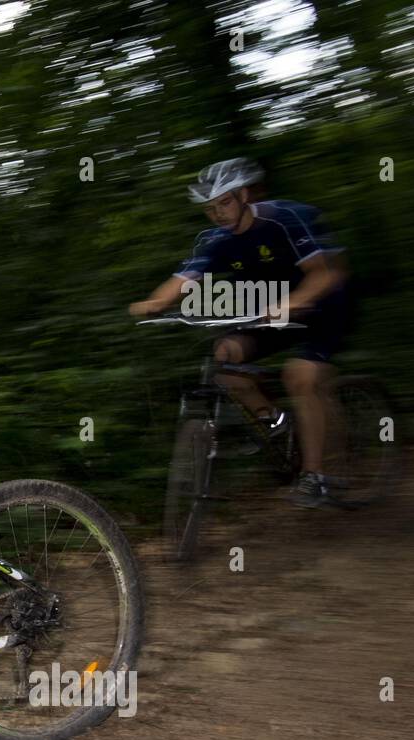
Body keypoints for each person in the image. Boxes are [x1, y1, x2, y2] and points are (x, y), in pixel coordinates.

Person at [130, 158, 351, 507]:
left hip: (323, 306)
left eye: (225, 202)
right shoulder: (215, 239)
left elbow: (324, 275)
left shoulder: (283, 219)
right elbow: (183, 280)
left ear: (244, 194)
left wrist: (289, 305)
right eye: (210, 208)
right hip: (267, 314)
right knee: (224, 359)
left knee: (300, 376)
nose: (218, 213)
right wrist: (152, 303)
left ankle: (314, 477)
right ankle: (275, 420)